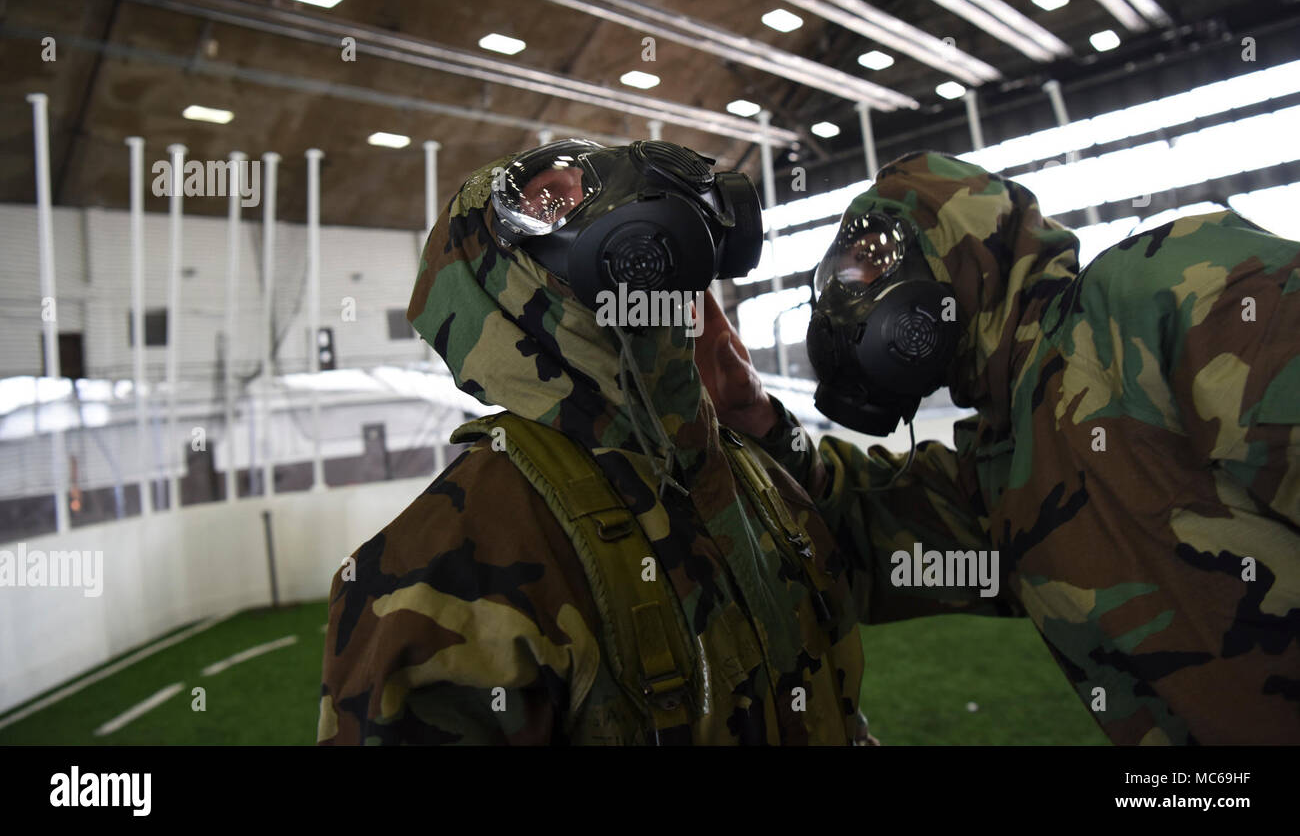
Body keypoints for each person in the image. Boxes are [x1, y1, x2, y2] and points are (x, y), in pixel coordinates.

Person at [319, 138, 1012, 746]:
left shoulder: (750, 475)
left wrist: (753, 415)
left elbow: (958, 537)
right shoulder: (437, 568)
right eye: (555, 195)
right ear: (501, 286)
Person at [699, 150, 1300, 745]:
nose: (848, 297)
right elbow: (852, 538)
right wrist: (760, 421)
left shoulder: (1161, 288)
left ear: (962, 251)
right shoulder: (1003, 464)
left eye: (872, 263)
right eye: (845, 275)